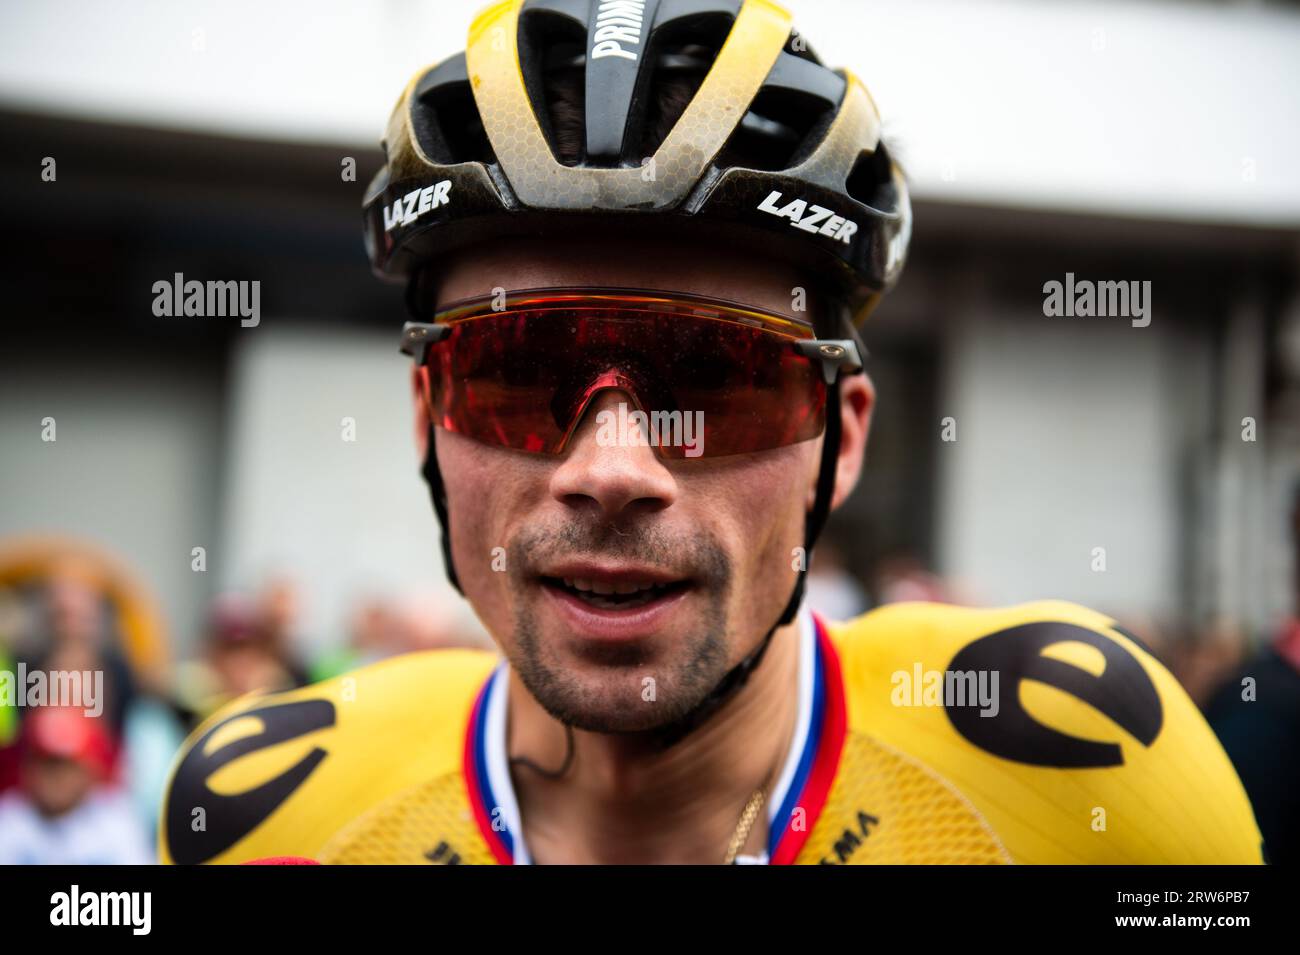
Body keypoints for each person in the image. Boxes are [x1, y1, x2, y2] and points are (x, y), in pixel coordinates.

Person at [161, 0, 1261, 864]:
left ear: (845, 440)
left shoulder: (1092, 769)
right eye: (514, 371)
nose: (611, 469)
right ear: (426, 421)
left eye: (719, 381)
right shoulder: (262, 813)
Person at [0, 707, 152, 865]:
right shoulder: (9, 818)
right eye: (46, 762)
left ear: (88, 767)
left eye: (66, 764)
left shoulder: (117, 820)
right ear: (28, 766)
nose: (56, 775)